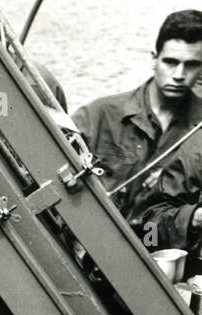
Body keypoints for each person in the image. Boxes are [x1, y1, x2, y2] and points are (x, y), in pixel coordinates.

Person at [74, 10, 202, 235]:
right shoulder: (99, 115)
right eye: (170, 62)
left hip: (162, 251)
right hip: (91, 244)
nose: (179, 75)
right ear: (154, 59)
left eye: (191, 65)